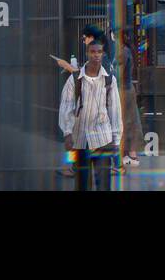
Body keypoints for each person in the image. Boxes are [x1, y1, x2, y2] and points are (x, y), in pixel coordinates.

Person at [57, 38, 121, 191]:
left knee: (104, 186)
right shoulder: (74, 79)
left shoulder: (109, 80)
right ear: (87, 53)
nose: (96, 55)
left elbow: (115, 111)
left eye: (99, 52)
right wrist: (67, 133)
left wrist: (116, 140)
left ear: (103, 54)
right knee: (82, 185)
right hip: (80, 140)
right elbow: (66, 107)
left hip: (103, 138)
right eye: (92, 52)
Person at [114, 28, 143, 167]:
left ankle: (122, 156)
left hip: (122, 91)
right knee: (132, 121)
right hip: (129, 88)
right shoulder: (128, 50)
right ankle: (132, 155)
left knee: (122, 122)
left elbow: (117, 73)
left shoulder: (122, 51)